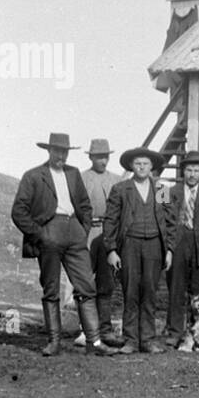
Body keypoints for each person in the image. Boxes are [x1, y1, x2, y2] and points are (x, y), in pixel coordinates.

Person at [11, 132, 117, 356]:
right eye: (57, 151)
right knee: (51, 289)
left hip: (75, 235)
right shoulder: (33, 176)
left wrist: (82, 230)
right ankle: (54, 341)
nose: (61, 156)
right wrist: (40, 234)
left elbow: (84, 206)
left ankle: (94, 343)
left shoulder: (73, 173)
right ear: (49, 151)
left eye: (65, 152)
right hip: (49, 233)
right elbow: (18, 211)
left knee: (87, 287)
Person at [104, 147, 173, 354]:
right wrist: (111, 250)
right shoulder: (121, 189)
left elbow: (170, 222)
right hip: (130, 245)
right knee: (131, 291)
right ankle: (131, 340)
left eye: (145, 164)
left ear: (152, 166)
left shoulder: (161, 188)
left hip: (154, 246)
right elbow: (111, 221)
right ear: (131, 166)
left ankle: (148, 340)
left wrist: (169, 249)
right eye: (137, 164)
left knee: (149, 292)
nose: (142, 167)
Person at [166, 151, 199, 345]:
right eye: (189, 170)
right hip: (178, 244)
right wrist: (168, 248)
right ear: (183, 171)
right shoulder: (169, 191)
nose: (192, 174)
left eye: (196, 170)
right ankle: (174, 333)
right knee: (176, 288)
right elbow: (160, 215)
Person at [78, 138, 122, 345]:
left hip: (108, 232)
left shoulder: (117, 180)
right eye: (98, 157)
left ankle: (105, 330)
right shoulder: (81, 178)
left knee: (106, 283)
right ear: (91, 157)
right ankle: (85, 329)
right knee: (84, 281)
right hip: (86, 231)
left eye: (105, 157)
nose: (102, 161)